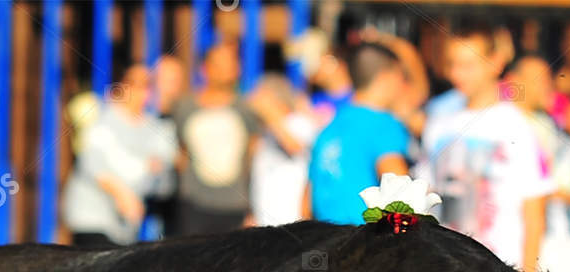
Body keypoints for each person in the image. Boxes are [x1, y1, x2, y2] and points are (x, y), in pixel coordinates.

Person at [419, 28, 546, 272]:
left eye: (468, 65)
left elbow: (534, 209)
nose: (457, 74)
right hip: (445, 267)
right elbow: (426, 192)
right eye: (452, 64)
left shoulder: (517, 124)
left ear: (495, 62)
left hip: (501, 270)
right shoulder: (438, 122)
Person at [60, 62, 176, 247]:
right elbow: (91, 164)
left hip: (127, 229)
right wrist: (122, 194)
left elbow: (164, 182)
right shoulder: (100, 119)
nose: (139, 91)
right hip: (92, 219)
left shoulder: (159, 129)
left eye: (147, 85)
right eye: (133, 83)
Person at [508, 52, 570, 272]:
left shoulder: (546, 123)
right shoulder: (505, 125)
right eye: (540, 80)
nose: (548, 86)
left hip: (559, 228)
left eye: (549, 79)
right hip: (521, 235)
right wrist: (568, 196)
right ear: (516, 81)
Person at [307, 41, 411, 225]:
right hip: (365, 236)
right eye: (402, 77)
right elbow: (400, 193)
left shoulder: (328, 128)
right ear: (386, 77)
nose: (404, 86)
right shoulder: (384, 124)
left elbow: (306, 202)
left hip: (326, 236)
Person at [172, 42, 258, 234]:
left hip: (234, 205)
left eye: (231, 64)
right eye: (220, 65)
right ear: (205, 69)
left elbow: (252, 154)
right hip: (194, 204)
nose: (226, 70)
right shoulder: (186, 107)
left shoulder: (246, 108)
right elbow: (181, 152)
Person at [248, 74, 319, 229]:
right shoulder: (268, 131)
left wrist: (268, 112)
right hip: (263, 222)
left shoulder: (299, 122)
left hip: (291, 222)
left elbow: (294, 146)